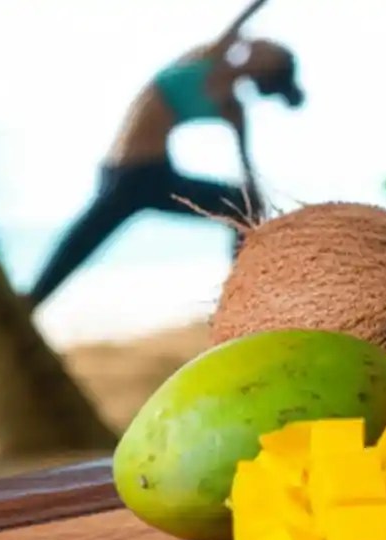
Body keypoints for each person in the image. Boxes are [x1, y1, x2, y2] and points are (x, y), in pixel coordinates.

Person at [26, 0, 303, 309]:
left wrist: (261, 212)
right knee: (79, 246)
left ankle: (240, 296)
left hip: (151, 174)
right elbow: (246, 19)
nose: (266, 42)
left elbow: (248, 171)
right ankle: (31, 301)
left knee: (242, 203)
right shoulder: (213, 57)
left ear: (267, 68)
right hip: (125, 173)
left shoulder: (229, 99)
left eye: (272, 50)